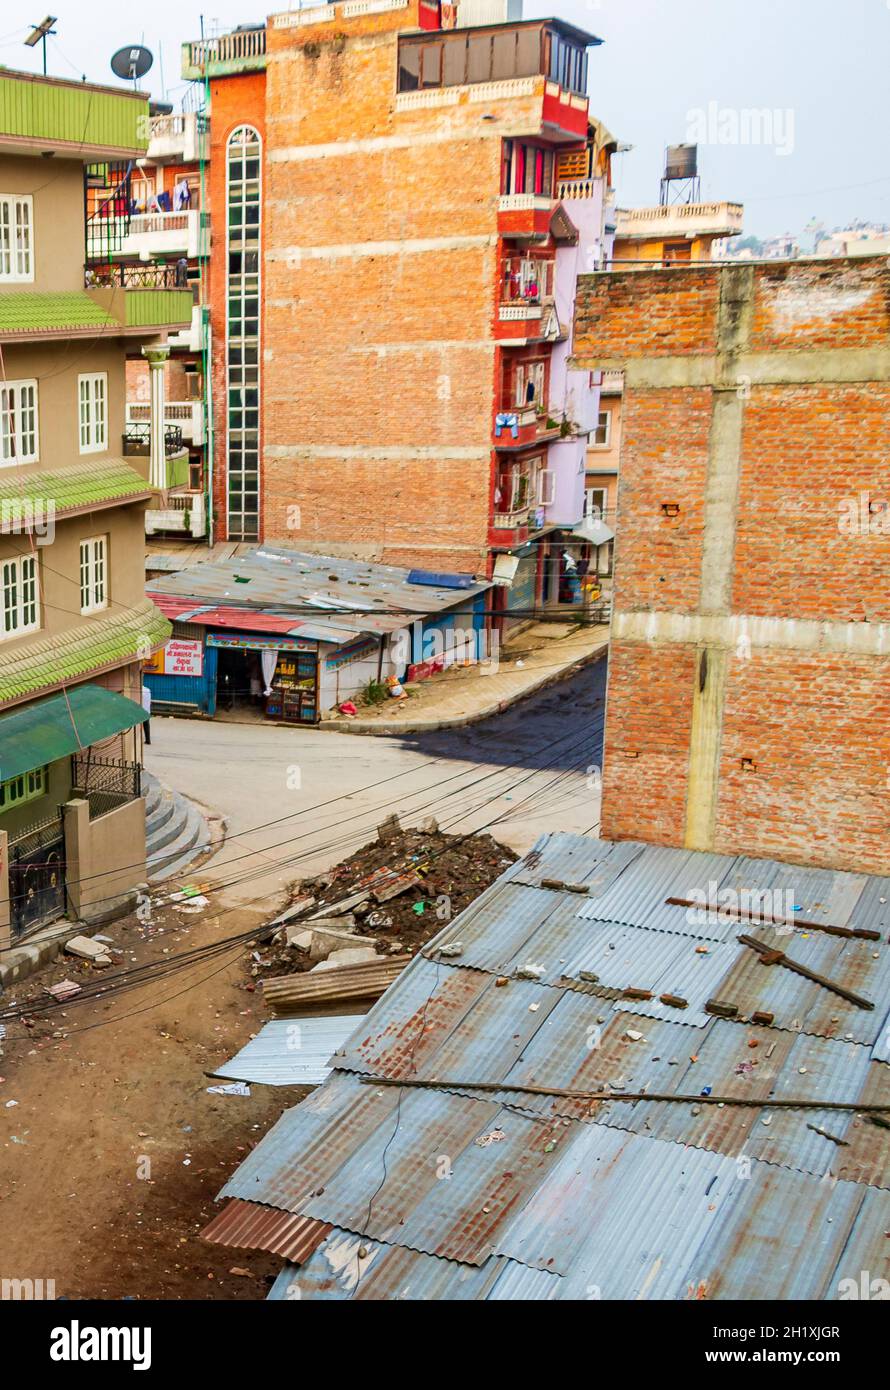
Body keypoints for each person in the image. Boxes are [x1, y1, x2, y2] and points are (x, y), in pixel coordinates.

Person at [141, 680, 152, 746]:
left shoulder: (140, 690)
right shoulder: (148, 690)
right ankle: (148, 740)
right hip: (147, 710)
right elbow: (150, 702)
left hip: (141, 711)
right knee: (146, 726)